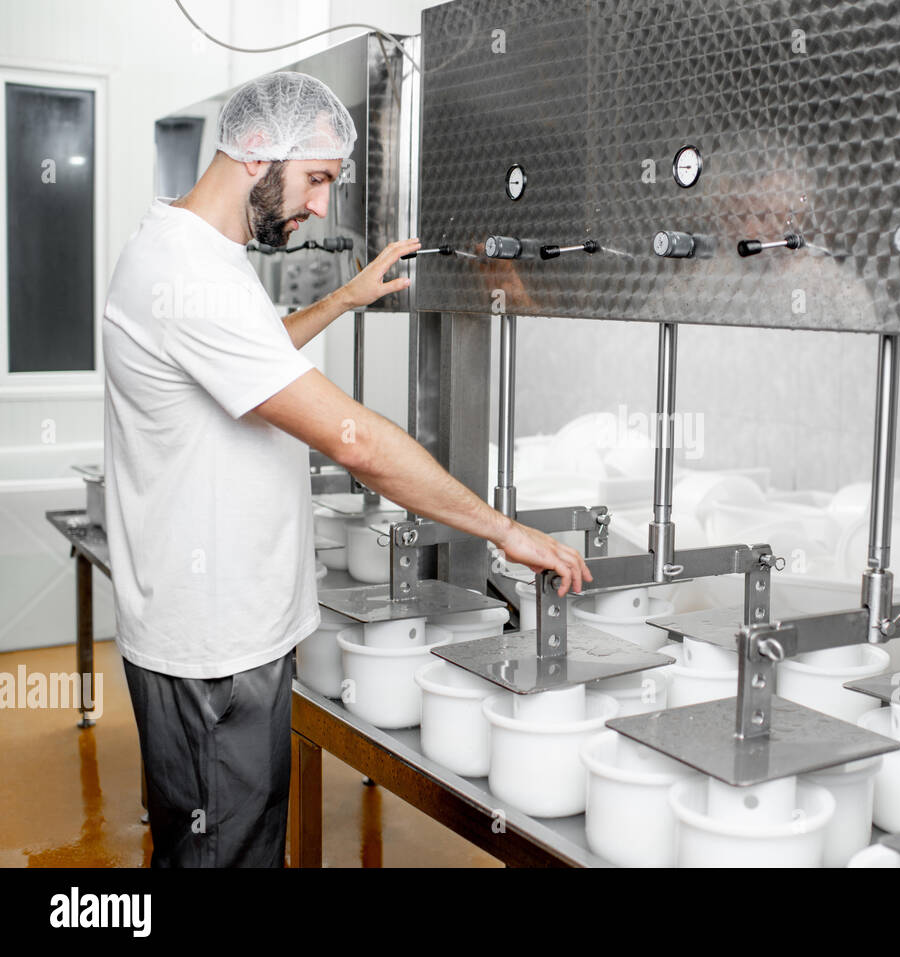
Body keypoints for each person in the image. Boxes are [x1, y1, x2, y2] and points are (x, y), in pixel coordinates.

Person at [101, 71, 590, 867]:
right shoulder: (191, 278)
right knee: (223, 854)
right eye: (319, 179)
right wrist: (505, 530)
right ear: (258, 152)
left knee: (233, 843)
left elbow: (247, 358)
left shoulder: (190, 255)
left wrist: (343, 299)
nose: (323, 206)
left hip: (219, 631)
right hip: (213, 648)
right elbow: (356, 442)